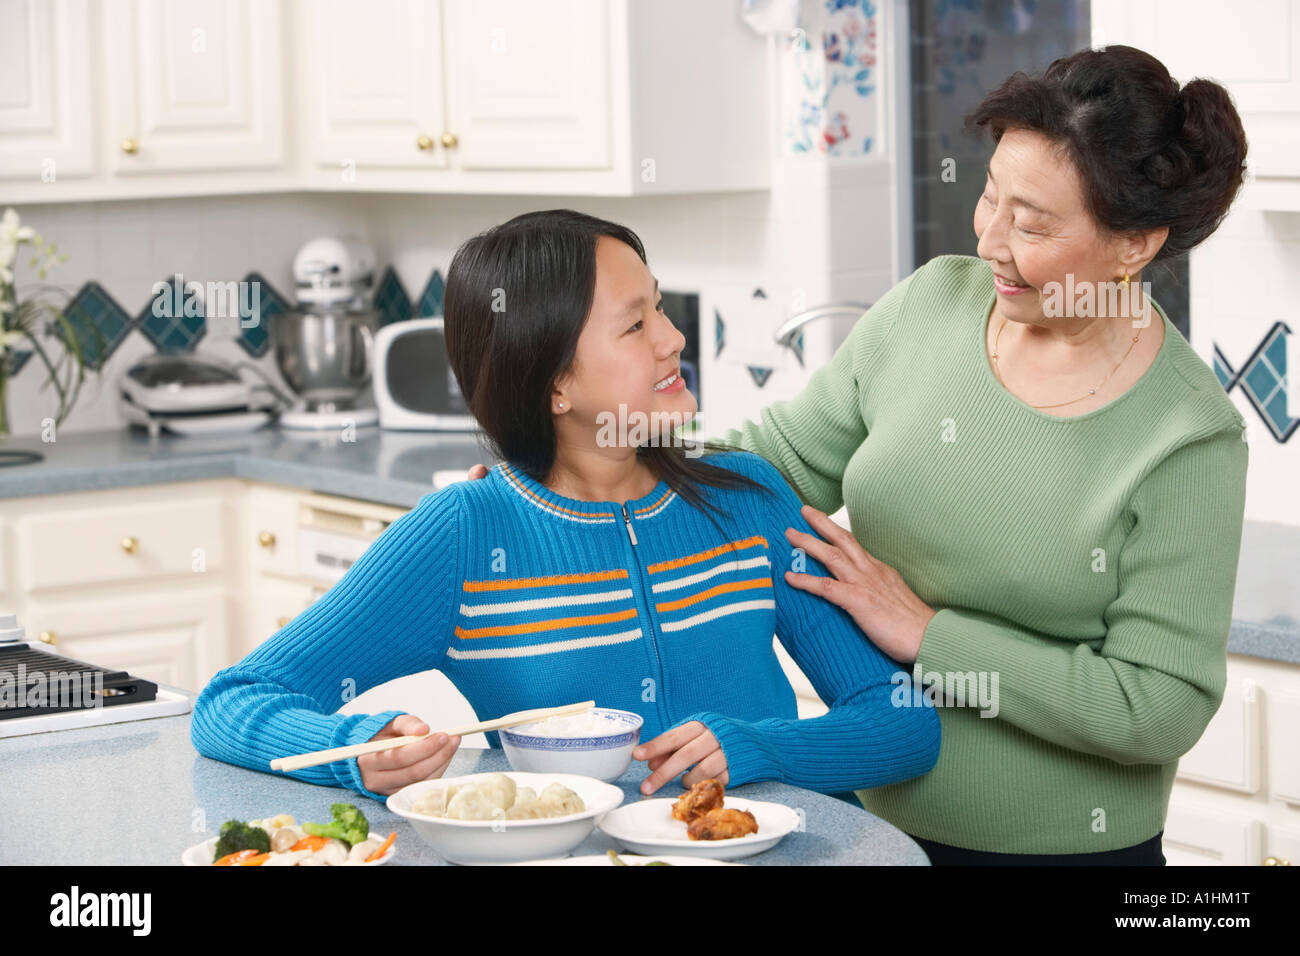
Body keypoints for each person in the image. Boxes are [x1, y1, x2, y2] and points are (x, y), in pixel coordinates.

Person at [469, 44, 1251, 865]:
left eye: (1034, 224)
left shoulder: (1185, 436)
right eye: (990, 198)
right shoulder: (932, 307)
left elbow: (1158, 707)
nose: (991, 240)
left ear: (1134, 246)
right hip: (866, 829)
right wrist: (572, 474)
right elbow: (773, 467)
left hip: (1064, 853)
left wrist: (929, 635)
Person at [190, 209, 941, 805]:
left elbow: (901, 720)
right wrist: (363, 750)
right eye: (636, 323)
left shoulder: (746, 500)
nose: (674, 339)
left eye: (660, 309)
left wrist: (763, 747)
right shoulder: (464, 534)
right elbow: (232, 703)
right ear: (555, 385)